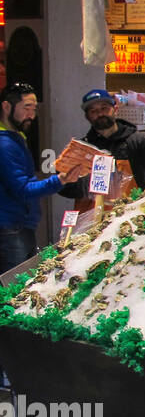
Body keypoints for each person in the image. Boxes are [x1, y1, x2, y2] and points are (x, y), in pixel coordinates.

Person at [0, 84, 87, 275]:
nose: (31, 114)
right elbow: (23, 189)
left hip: (20, 226)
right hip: (11, 229)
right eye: (26, 108)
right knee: (13, 291)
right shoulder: (5, 144)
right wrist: (60, 180)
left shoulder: (16, 138)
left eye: (34, 108)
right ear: (6, 107)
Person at [60, 90, 145, 203]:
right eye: (93, 111)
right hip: (91, 217)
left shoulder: (138, 141)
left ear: (115, 109)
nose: (100, 114)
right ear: (87, 117)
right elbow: (64, 188)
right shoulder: (80, 150)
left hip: (130, 215)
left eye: (104, 108)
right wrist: (75, 180)